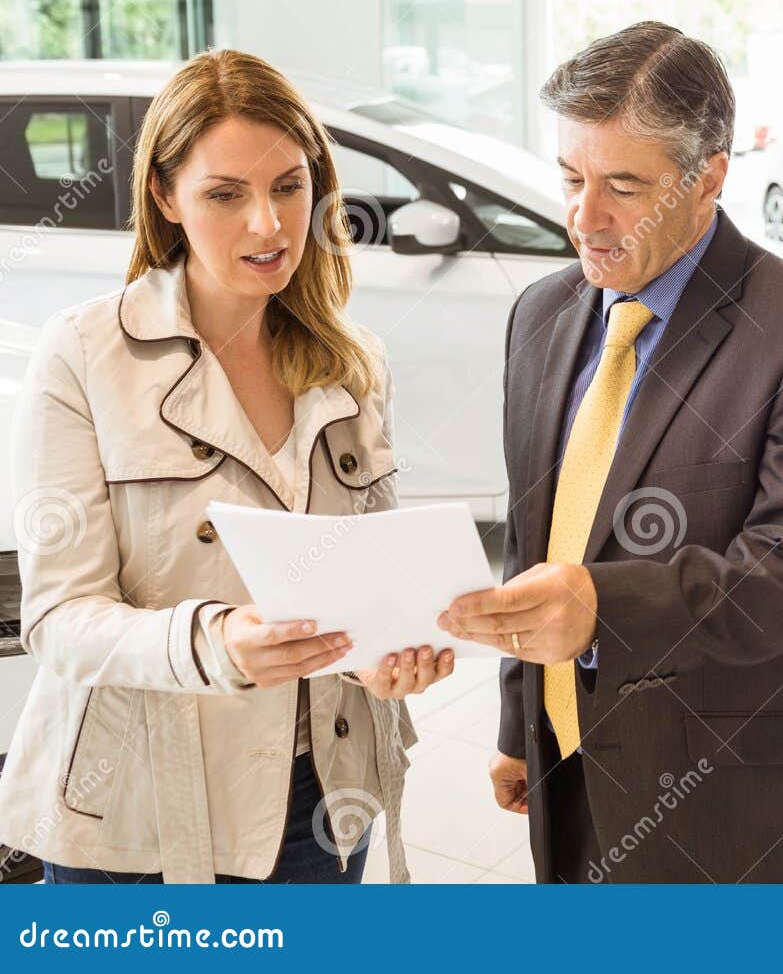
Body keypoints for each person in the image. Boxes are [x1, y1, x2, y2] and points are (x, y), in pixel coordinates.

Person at [439, 21, 783, 882]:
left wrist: (602, 609)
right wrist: (520, 723)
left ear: (707, 178)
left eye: (623, 186)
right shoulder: (540, 314)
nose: (584, 216)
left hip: (741, 810)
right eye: (571, 176)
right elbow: (536, 541)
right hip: (572, 782)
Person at [0, 49, 452, 884]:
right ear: (165, 198)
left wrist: (393, 648)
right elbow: (58, 620)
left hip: (321, 802)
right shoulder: (87, 354)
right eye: (225, 194)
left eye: (288, 185)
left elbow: (374, 580)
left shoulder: (355, 363)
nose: (269, 225)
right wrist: (216, 641)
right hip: (140, 814)